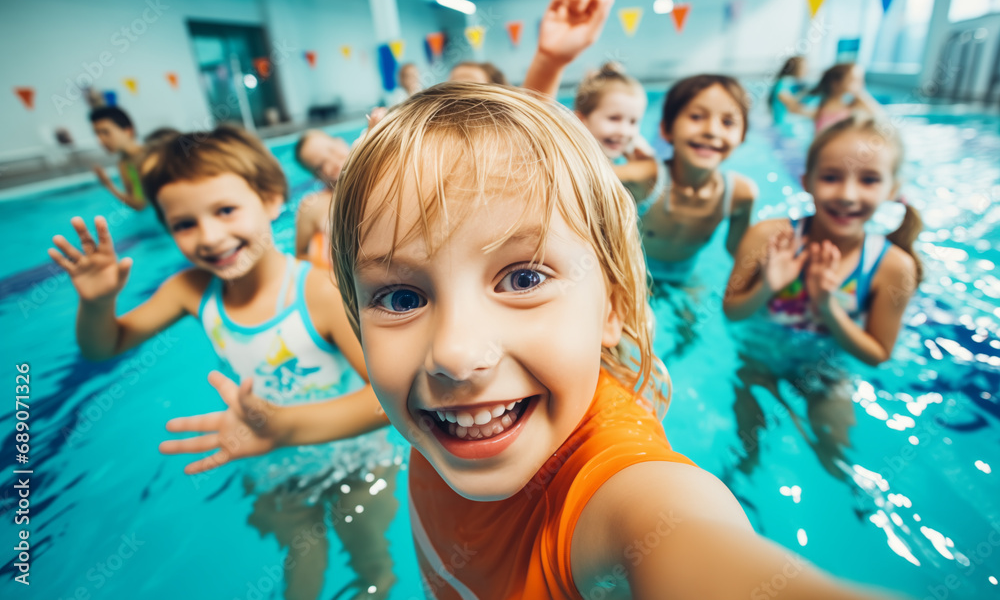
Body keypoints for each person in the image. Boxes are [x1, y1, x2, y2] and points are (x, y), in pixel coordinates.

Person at [163, 85, 904, 600]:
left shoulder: (628, 498)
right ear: (357, 319)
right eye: (401, 295)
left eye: (522, 278)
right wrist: (285, 426)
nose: (455, 352)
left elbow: (703, 551)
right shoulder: (450, 415)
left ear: (612, 302)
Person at [49, 125, 400, 600]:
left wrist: (285, 426)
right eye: (184, 224)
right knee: (301, 575)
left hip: (356, 460)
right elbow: (103, 346)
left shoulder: (318, 292)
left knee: (370, 566)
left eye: (226, 210)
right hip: (270, 454)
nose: (210, 237)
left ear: (273, 199)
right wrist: (96, 303)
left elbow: (389, 400)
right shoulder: (190, 291)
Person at [723, 115, 921, 364]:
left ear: (892, 190)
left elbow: (878, 354)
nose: (847, 195)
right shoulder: (768, 237)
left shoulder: (894, 267)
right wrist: (766, 286)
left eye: (869, 180)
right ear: (806, 182)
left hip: (825, 370)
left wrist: (828, 307)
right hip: (758, 356)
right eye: (830, 177)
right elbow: (732, 311)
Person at [612, 75, 758, 285]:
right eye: (697, 117)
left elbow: (738, 252)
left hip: (684, 276)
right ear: (666, 129)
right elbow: (572, 175)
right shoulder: (644, 179)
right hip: (630, 273)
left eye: (728, 122)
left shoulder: (739, 195)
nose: (711, 131)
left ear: (743, 135)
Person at [573, 61, 654, 165]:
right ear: (580, 120)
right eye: (614, 118)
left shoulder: (625, 157)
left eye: (633, 122)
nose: (623, 132)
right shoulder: (570, 162)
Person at [291, 130, 351, 267]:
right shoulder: (314, 206)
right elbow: (300, 258)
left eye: (331, 150)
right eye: (321, 165)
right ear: (317, 177)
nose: (333, 160)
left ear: (340, 142)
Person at [90, 106, 147, 210]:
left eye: (105, 132)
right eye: (97, 134)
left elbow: (140, 205)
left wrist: (108, 185)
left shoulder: (149, 156)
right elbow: (137, 203)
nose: (100, 140)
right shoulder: (123, 164)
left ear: (128, 131)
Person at [809, 63, 881, 134]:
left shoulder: (854, 106)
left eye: (861, 79)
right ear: (835, 82)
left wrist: (860, 93)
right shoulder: (817, 106)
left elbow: (879, 117)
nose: (860, 84)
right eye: (854, 79)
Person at [769, 56, 812, 125]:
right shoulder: (784, 82)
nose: (807, 70)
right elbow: (793, 108)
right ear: (794, 69)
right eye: (804, 67)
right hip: (782, 126)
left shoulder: (794, 83)